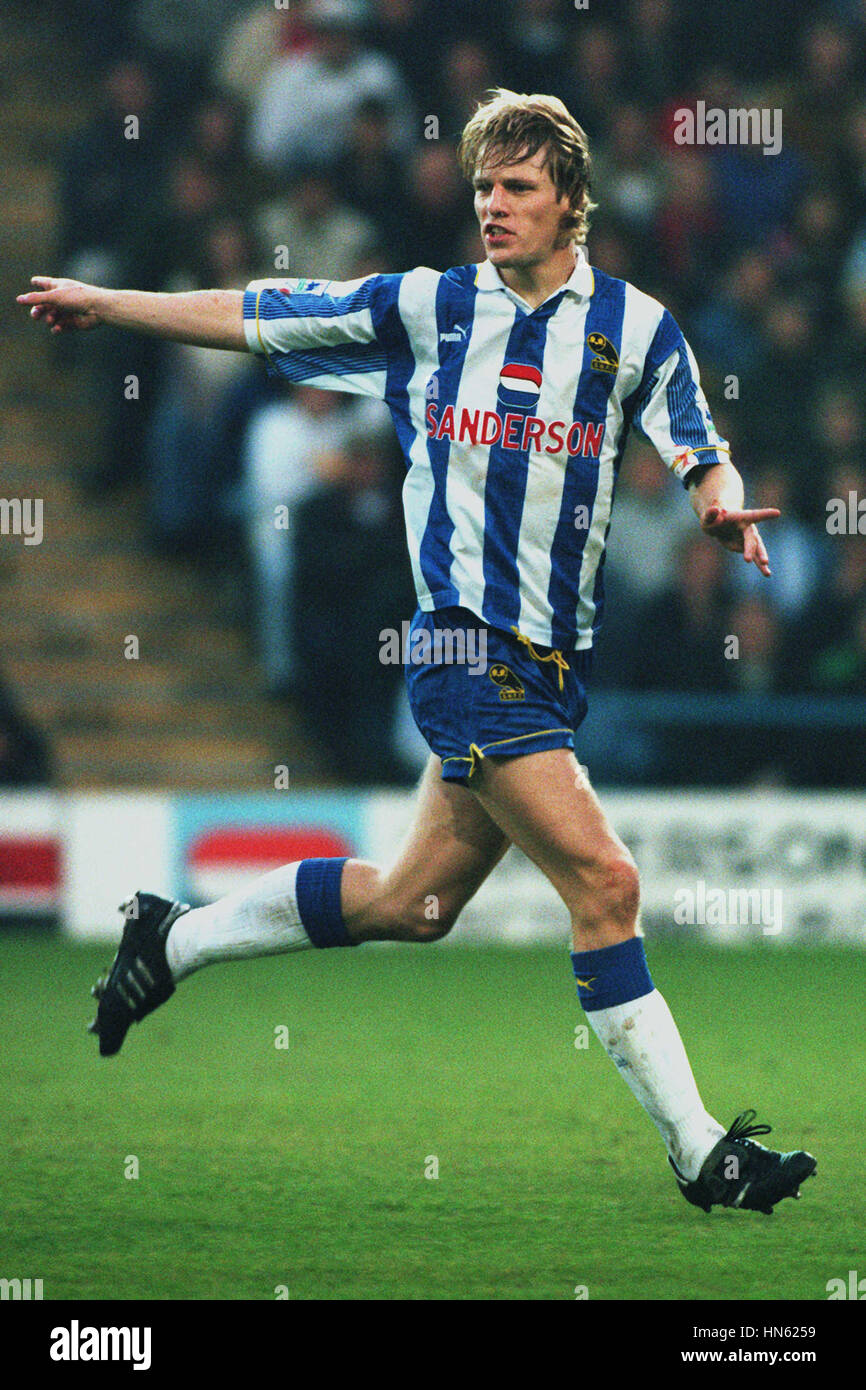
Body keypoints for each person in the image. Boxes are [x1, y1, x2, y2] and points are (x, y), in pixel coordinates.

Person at [19, 88, 815, 1216]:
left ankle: (172, 938)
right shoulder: (428, 309)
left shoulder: (634, 328)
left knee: (412, 904)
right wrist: (110, 302)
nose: (490, 203)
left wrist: (718, 504)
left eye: (516, 187)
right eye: (483, 183)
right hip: (459, 646)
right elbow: (258, 310)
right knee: (606, 880)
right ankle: (699, 1154)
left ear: (570, 204)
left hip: (549, 665)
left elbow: (698, 444)